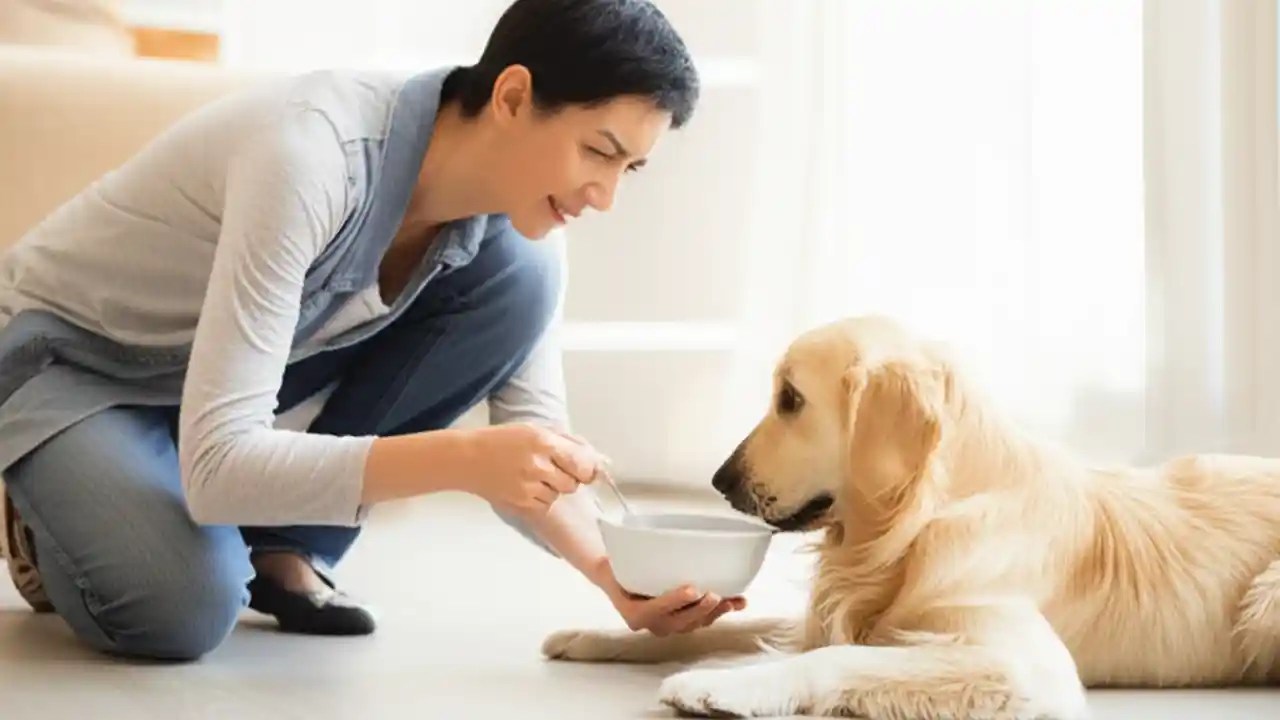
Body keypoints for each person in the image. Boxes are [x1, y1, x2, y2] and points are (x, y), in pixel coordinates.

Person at [0, 0, 745, 661]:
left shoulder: (530, 221)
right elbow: (220, 462)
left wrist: (615, 578)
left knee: (519, 276)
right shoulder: (311, 157)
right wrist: (461, 457)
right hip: (74, 363)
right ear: (514, 96)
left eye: (632, 169)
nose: (606, 196)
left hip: (213, 382)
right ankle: (44, 513)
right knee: (180, 610)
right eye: (599, 152)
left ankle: (282, 539)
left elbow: (534, 442)